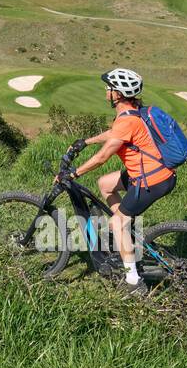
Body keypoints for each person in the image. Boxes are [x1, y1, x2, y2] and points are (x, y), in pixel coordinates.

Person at [69, 68, 177, 290]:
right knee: (105, 184)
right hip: (151, 173)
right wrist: (85, 142)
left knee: (116, 223)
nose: (106, 90)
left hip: (151, 181)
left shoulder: (127, 120)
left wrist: (75, 173)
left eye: (109, 87)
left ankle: (133, 281)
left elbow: (102, 157)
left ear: (118, 93)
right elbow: (114, 134)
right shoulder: (130, 112)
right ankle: (125, 230)